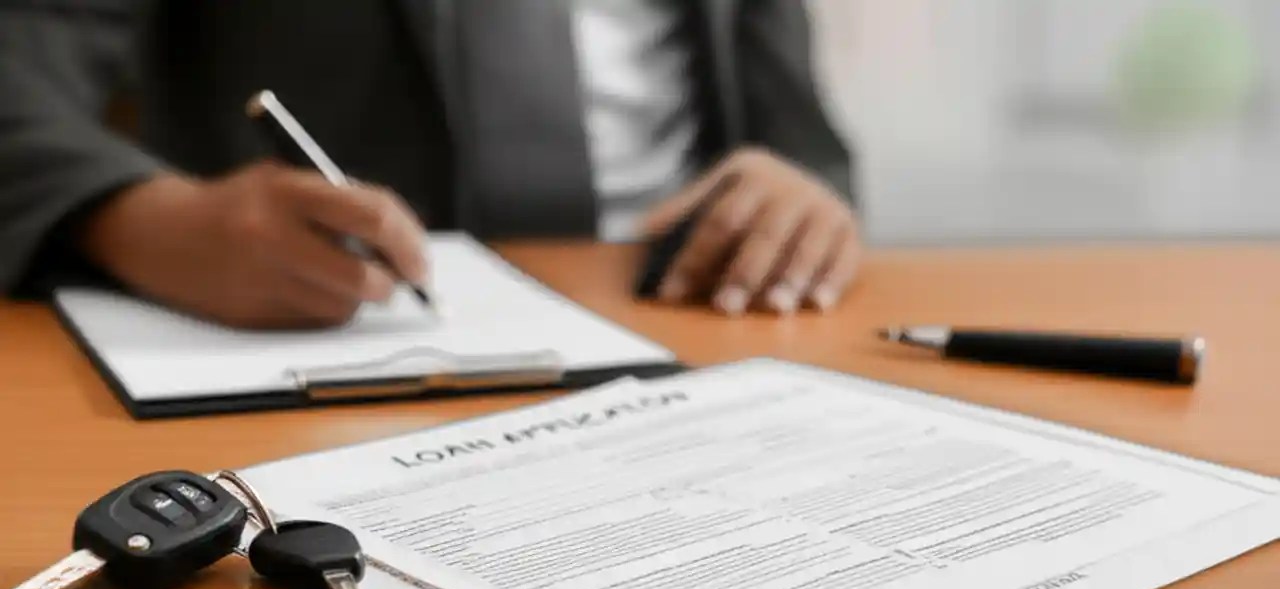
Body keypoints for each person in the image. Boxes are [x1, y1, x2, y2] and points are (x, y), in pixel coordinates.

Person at [0, 0, 860, 328]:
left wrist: (804, 198)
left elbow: (799, 138)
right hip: (326, 331)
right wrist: (139, 218)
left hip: (691, 310)